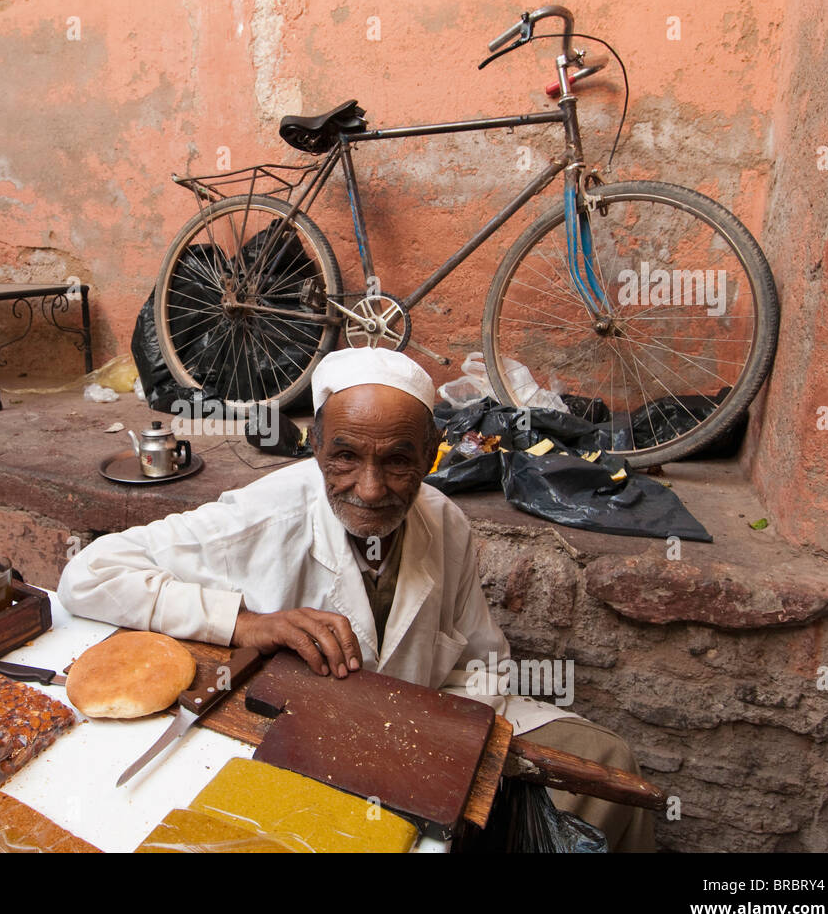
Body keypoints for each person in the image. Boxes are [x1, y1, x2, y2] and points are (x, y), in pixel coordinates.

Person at [59, 347, 654, 851]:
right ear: (315, 447)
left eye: (397, 460)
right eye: (345, 456)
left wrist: (455, 745)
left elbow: (479, 660)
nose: (369, 490)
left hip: (424, 724)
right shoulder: (264, 514)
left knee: (608, 762)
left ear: (431, 454)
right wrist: (245, 623)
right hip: (303, 741)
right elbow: (90, 573)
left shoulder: (445, 524)